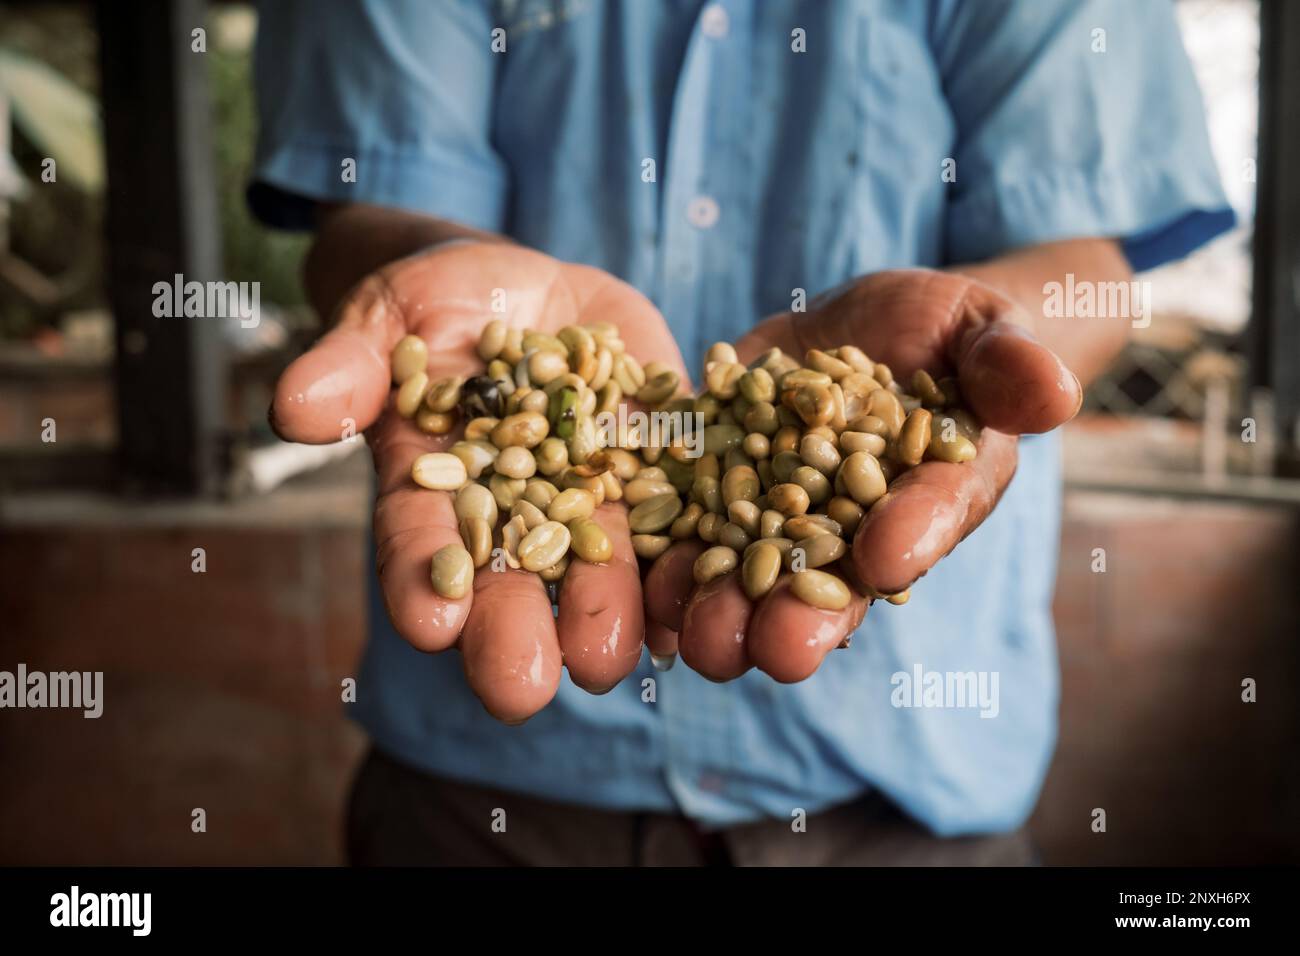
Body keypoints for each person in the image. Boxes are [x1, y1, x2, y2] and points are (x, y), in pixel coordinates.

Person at [248, 0, 1233, 865]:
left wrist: (985, 341)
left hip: (900, 783)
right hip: (486, 790)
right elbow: (368, 199)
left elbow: (1088, 262)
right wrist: (435, 267)